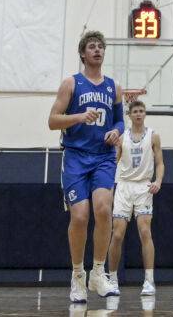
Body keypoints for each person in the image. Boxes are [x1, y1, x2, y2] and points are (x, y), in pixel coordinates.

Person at [49, 29, 125, 303]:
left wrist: (117, 133)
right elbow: (53, 120)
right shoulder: (71, 83)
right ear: (83, 53)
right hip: (76, 157)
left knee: (104, 209)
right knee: (80, 217)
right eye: (92, 46)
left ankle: (98, 272)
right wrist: (79, 116)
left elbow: (120, 122)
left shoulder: (113, 87)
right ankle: (77, 275)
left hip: (103, 156)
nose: (97, 50)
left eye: (100, 47)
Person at [107, 97, 163, 295]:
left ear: (144, 114)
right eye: (135, 111)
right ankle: (112, 280)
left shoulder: (153, 136)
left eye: (141, 111)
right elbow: (113, 161)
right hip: (124, 186)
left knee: (145, 232)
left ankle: (149, 280)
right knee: (118, 234)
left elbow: (160, 164)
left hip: (143, 187)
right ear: (129, 115)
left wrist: (158, 181)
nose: (138, 114)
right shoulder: (122, 138)